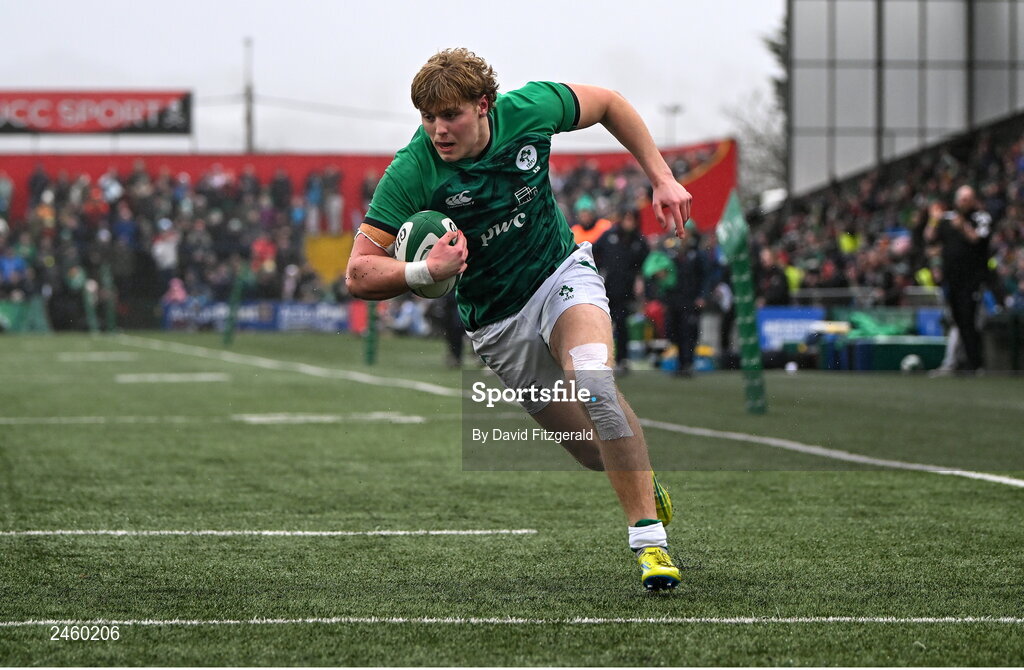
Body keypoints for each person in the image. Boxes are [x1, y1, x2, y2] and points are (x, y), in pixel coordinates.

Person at [346, 48, 692, 590]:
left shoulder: (529, 109)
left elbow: (609, 103)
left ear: (485, 105)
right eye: (428, 118)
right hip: (496, 322)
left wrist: (662, 177)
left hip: (560, 274)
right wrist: (422, 270)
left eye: (451, 115)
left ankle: (650, 543)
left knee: (595, 384)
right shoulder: (413, 169)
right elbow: (359, 273)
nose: (438, 129)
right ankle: (645, 485)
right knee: (589, 450)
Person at [925, 186, 994, 371]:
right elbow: (930, 238)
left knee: (970, 319)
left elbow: (976, 239)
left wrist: (962, 225)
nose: (964, 202)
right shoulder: (947, 219)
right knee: (957, 320)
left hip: (972, 279)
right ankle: (960, 361)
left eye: (968, 199)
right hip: (951, 279)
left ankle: (975, 363)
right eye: (961, 199)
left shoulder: (980, 217)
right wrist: (933, 218)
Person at [592, 210, 648, 372]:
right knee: (602, 324)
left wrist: (640, 279)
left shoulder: (639, 241)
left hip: (626, 290)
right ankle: (600, 359)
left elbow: (645, 263)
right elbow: (594, 251)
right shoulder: (609, 236)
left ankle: (622, 359)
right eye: (626, 218)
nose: (629, 222)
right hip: (606, 288)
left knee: (622, 324)